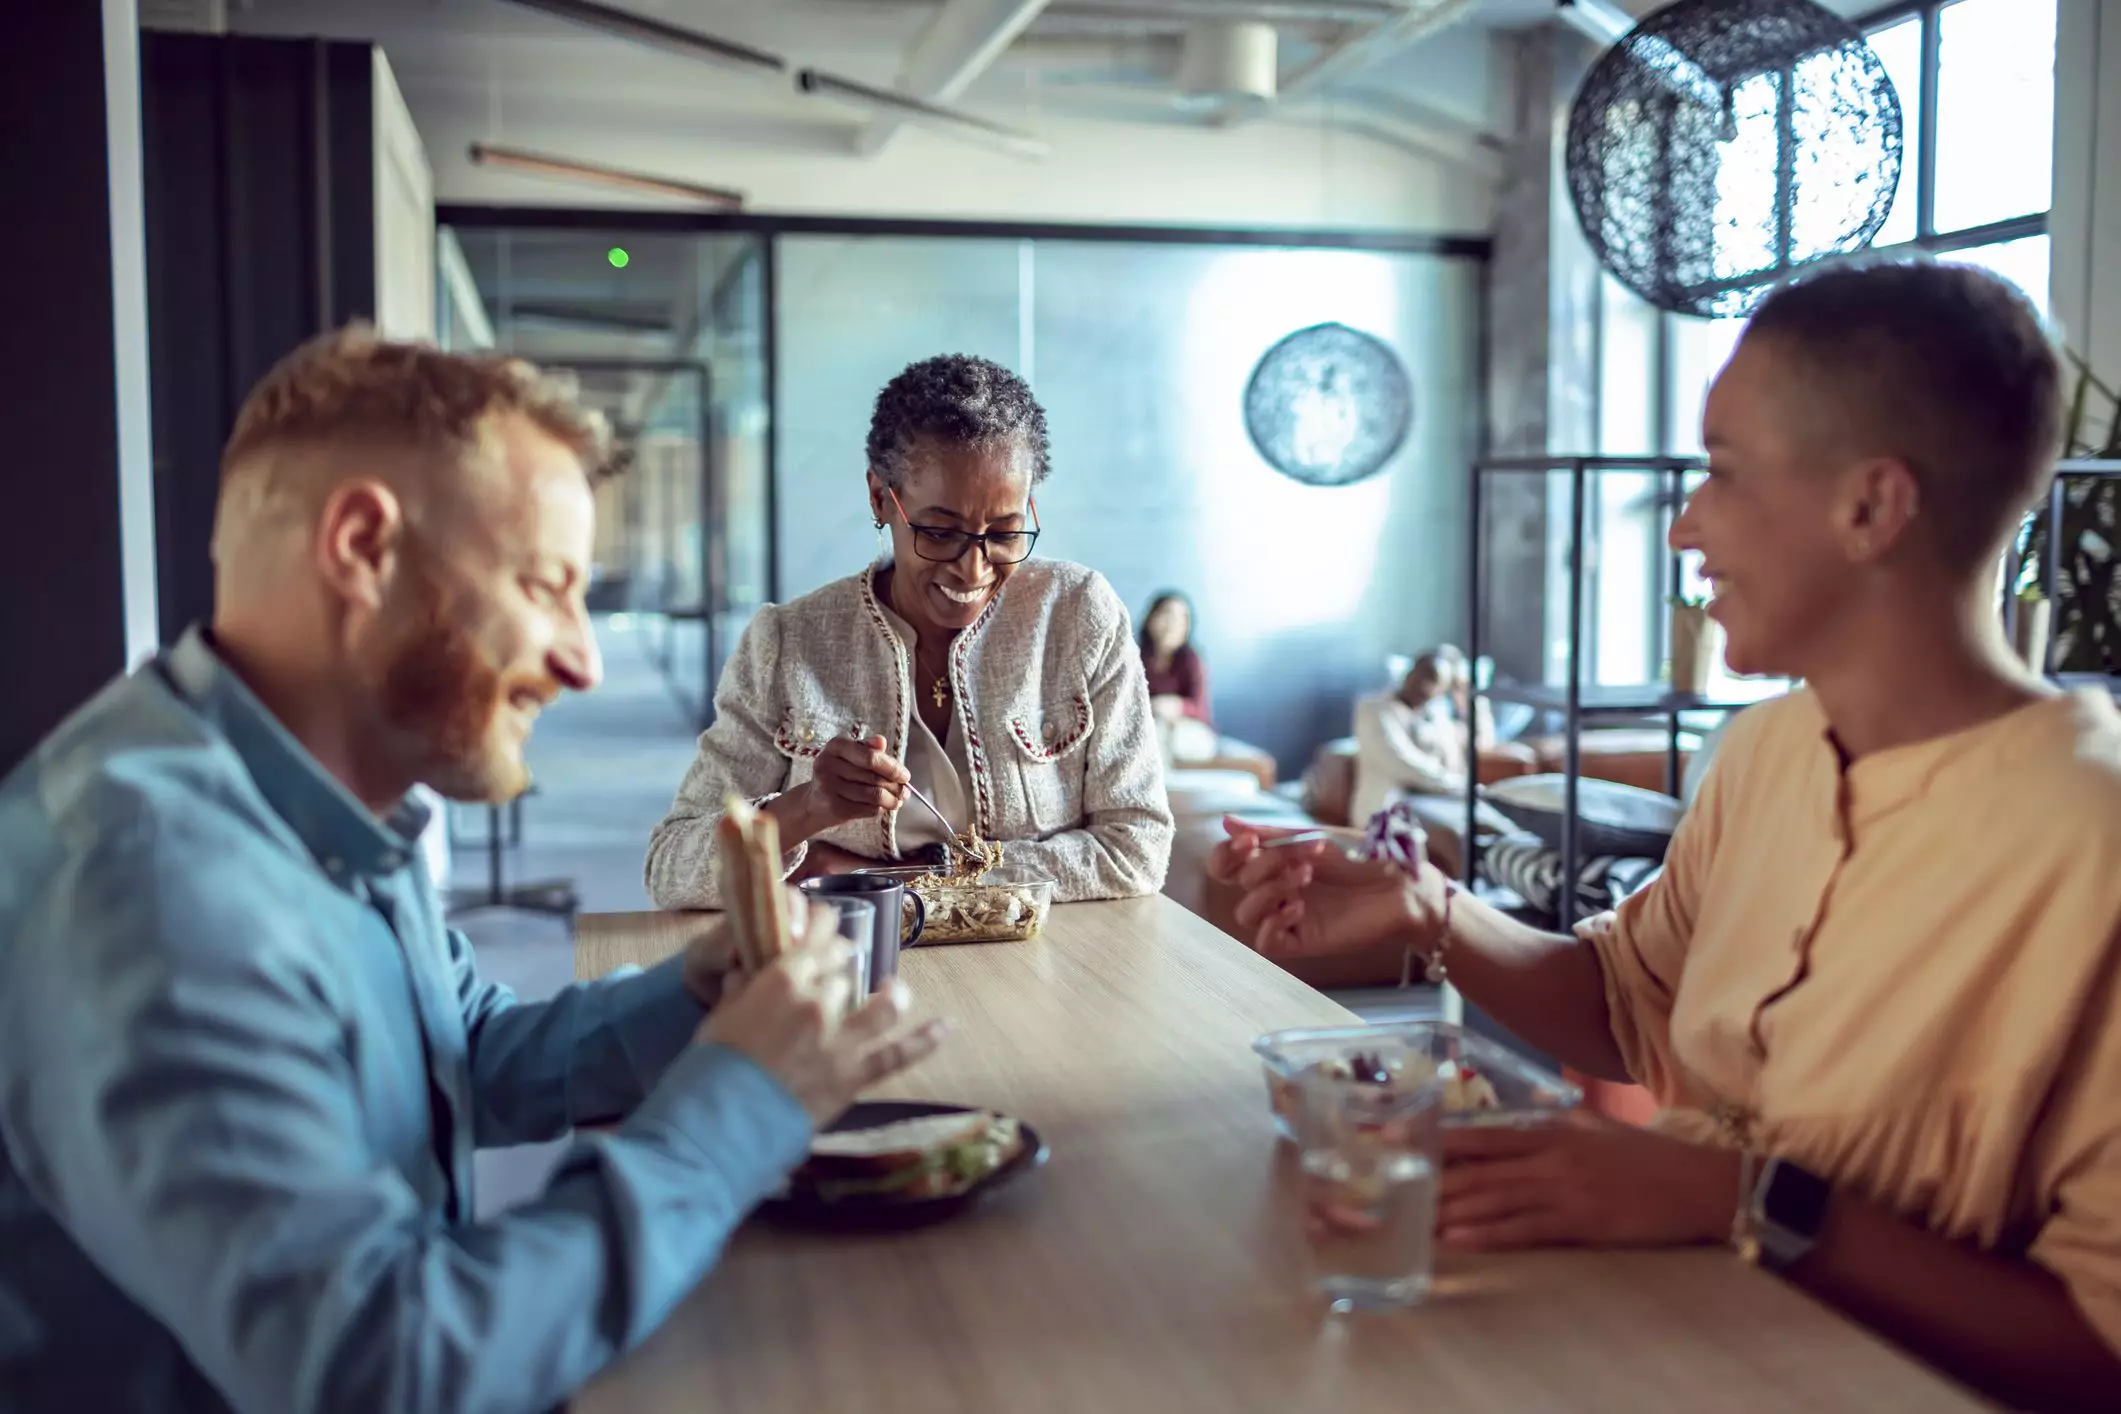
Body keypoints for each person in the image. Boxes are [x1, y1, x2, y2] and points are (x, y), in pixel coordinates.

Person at [1212, 263, 2121, 1410]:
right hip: (1649, 1342)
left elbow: (2101, 1349)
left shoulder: (2092, 842)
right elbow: (1622, 1000)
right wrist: (1426, 905)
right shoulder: (1766, 753)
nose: (1686, 523)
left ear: (1871, 509)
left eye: (1723, 473)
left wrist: (1739, 1197)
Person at [0, 329, 945, 1414]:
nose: (585, 660)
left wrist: (696, 995)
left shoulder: (309, 797)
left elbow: (465, 1053)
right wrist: (739, 1106)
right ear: (362, 546)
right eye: (546, 586)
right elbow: (390, 1367)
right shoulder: (156, 898)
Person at [646, 354, 1172, 907]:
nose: (973, 569)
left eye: (1005, 532)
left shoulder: (1077, 616)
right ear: (880, 497)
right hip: (848, 969)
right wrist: (805, 810)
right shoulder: (787, 644)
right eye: (940, 532)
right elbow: (672, 867)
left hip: (1050, 970)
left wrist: (886, 880)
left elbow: (1136, 847)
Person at [1351, 646, 1508, 825]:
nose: (1422, 683)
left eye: (1433, 679)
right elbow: (1401, 761)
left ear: (1445, 687)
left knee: (1491, 826)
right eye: (1420, 673)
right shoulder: (1373, 709)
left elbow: (1484, 742)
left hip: (1441, 803)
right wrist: (1457, 786)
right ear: (1409, 672)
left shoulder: (1439, 715)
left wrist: (1469, 695)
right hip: (1389, 811)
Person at [1140, 591, 1211, 726]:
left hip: (1185, 729)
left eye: (1182, 618)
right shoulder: (1135, 658)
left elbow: (1201, 709)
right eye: (1167, 614)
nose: (1173, 624)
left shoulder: (1191, 660)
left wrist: (1177, 707)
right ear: (1150, 619)